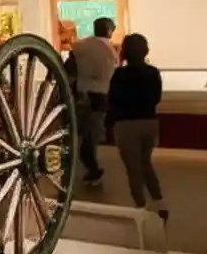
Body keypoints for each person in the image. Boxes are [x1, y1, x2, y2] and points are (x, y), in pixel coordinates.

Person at [108, 34, 167, 221]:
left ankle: (140, 207)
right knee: (145, 163)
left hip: (126, 124)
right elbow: (156, 98)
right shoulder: (152, 72)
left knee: (133, 168)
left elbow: (113, 99)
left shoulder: (119, 75)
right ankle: (159, 202)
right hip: (149, 122)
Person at [67, 17, 118, 185]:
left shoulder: (80, 46)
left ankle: (87, 167)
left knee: (80, 132)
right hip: (100, 97)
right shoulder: (110, 51)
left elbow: (69, 68)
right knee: (91, 135)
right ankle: (92, 168)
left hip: (80, 94)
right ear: (109, 30)